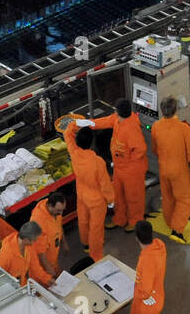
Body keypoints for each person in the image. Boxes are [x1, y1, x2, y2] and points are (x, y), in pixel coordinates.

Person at [82, 98, 147, 232]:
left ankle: (135, 221)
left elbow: (140, 149)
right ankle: (120, 218)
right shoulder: (118, 120)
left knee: (133, 196)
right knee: (118, 194)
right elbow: (105, 121)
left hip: (131, 169)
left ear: (118, 112)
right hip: (120, 167)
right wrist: (88, 123)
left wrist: (128, 160)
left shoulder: (131, 128)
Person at [151, 95, 190, 241]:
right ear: (176, 109)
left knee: (168, 197)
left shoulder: (156, 127)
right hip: (179, 171)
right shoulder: (184, 128)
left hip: (164, 169)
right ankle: (177, 230)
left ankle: (170, 222)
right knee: (184, 198)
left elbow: (155, 148)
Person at [68, 126, 115, 261]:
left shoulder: (74, 153)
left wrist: (72, 125)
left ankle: (86, 243)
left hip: (81, 194)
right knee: (96, 227)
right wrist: (111, 200)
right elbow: (105, 184)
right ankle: (95, 255)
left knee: (83, 220)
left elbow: (68, 136)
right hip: (96, 199)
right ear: (91, 142)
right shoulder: (97, 162)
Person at [30, 190, 69, 278]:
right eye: (59, 210)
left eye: (62, 210)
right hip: (43, 263)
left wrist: (64, 243)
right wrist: (48, 268)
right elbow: (40, 251)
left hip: (53, 257)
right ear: (50, 206)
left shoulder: (54, 209)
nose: (61, 213)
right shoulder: (38, 222)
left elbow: (59, 226)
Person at [0, 221, 43, 286]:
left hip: (22, 284)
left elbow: (33, 265)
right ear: (26, 240)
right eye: (34, 240)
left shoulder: (27, 246)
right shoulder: (7, 255)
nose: (35, 242)